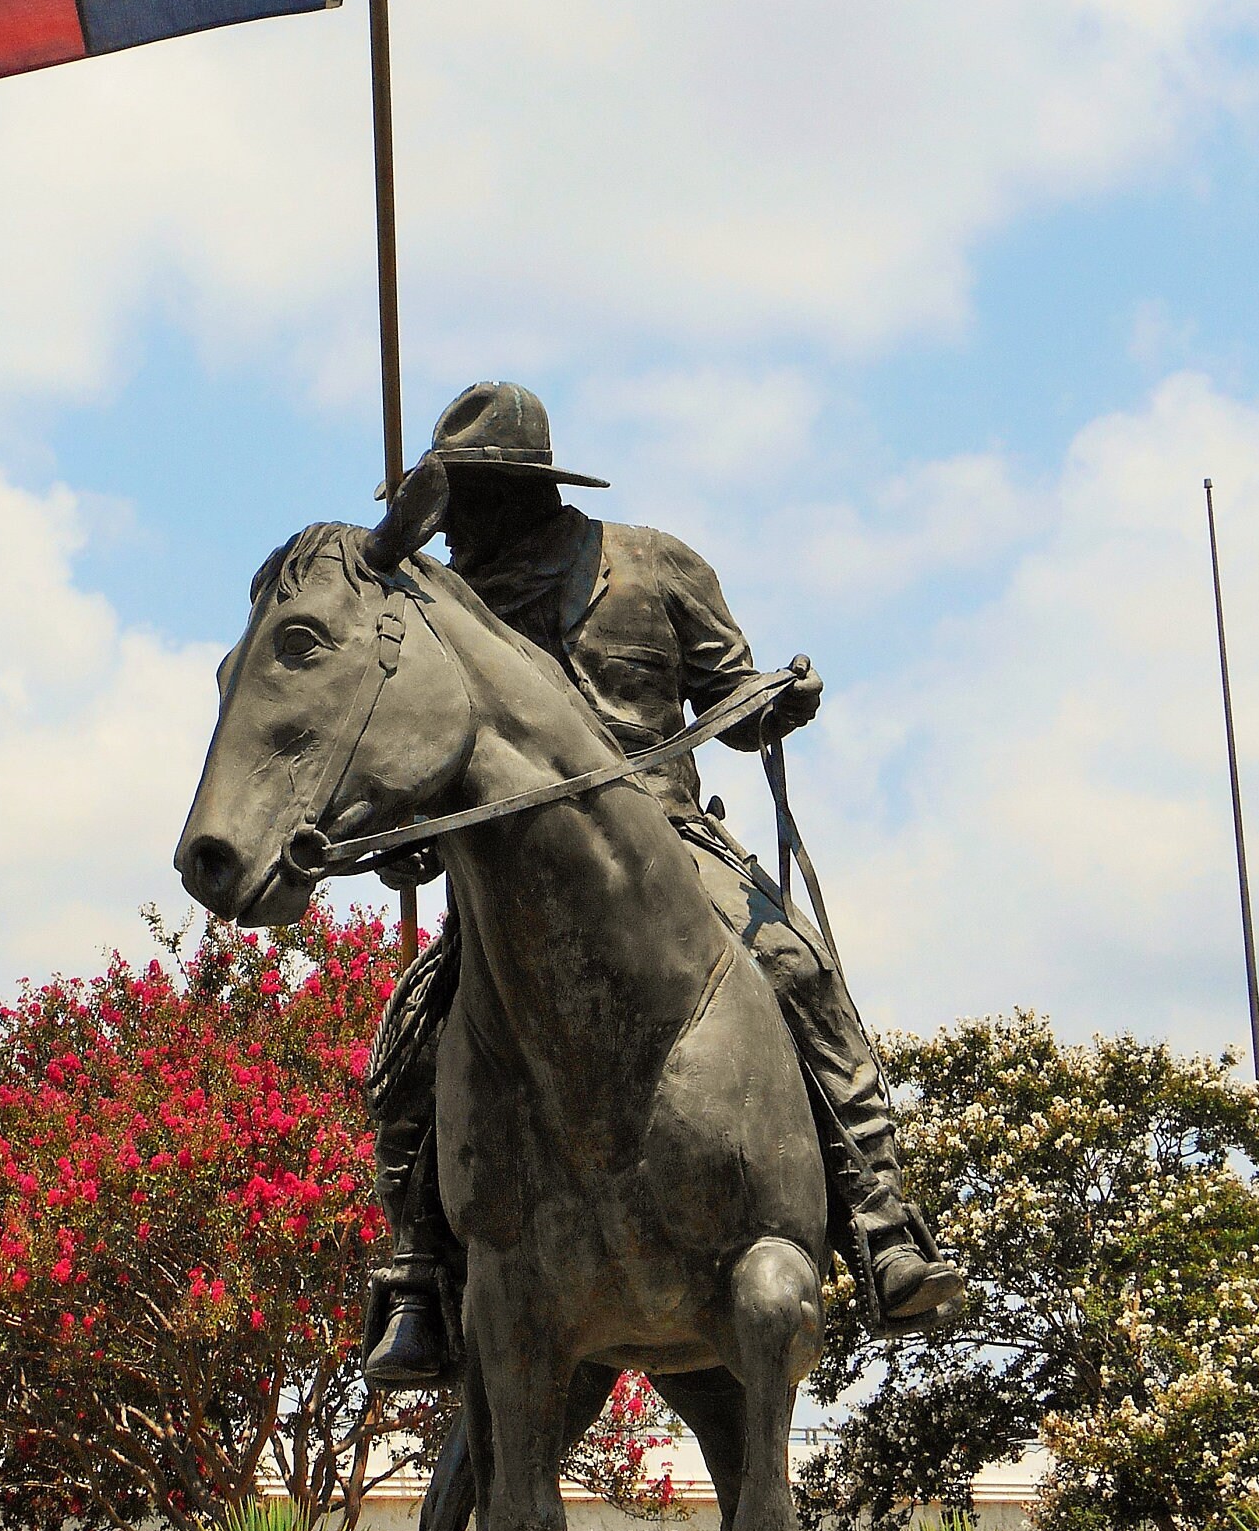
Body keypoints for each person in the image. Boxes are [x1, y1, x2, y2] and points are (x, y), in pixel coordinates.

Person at [361, 379, 967, 1393]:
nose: (449, 526)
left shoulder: (658, 563)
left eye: (460, 498)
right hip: (510, 867)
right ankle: (416, 1274)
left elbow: (728, 695)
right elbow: (414, 748)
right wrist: (403, 831)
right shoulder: (445, 607)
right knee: (412, 1044)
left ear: (510, 490)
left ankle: (879, 1216)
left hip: (670, 844)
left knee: (799, 967)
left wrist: (773, 700)